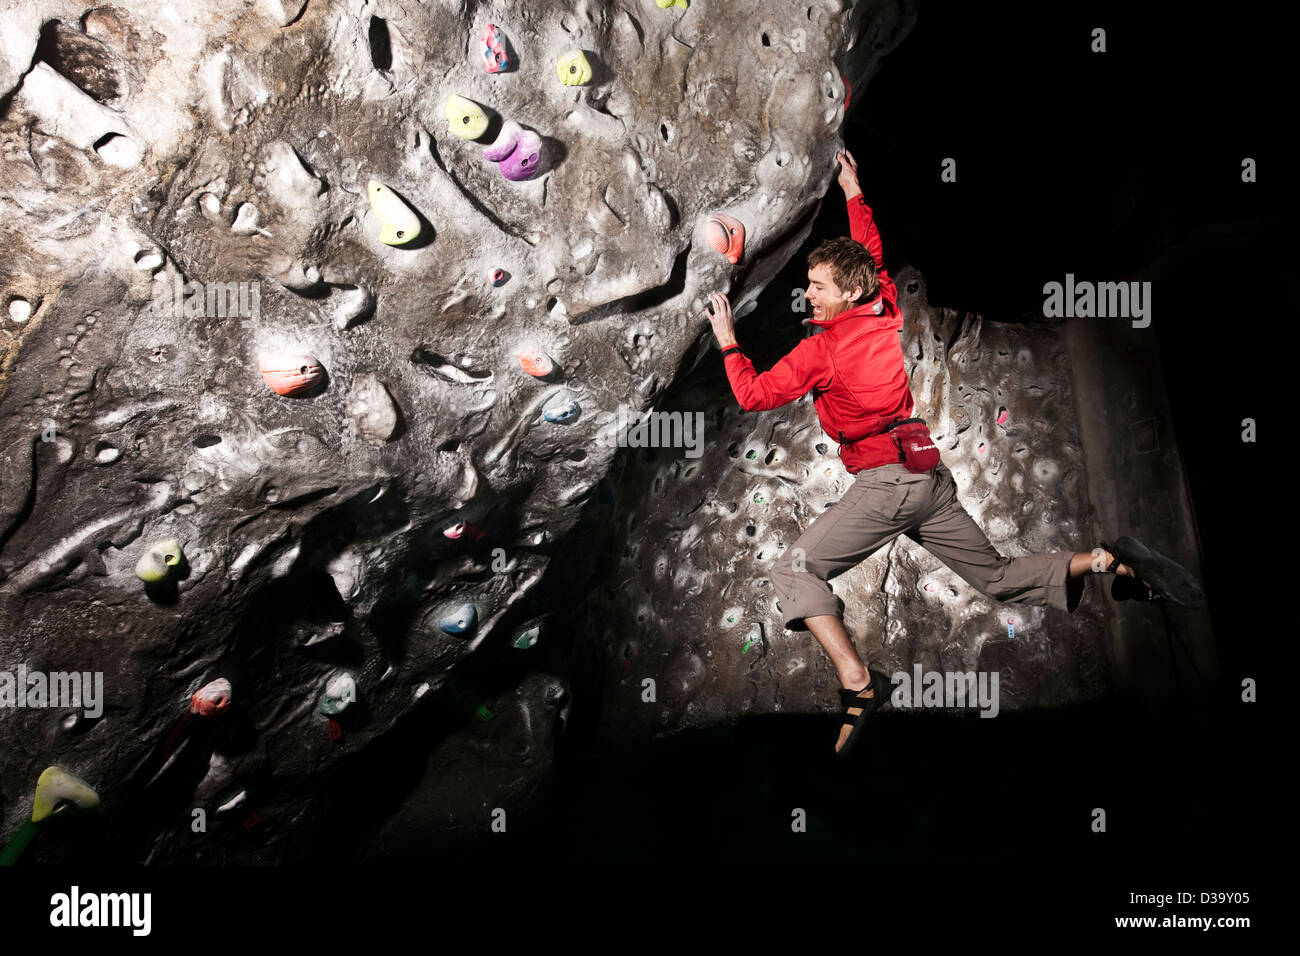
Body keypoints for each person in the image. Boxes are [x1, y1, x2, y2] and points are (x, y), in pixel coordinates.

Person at [707, 150, 1202, 756]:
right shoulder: (883, 306)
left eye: (816, 287)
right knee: (994, 578)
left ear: (848, 292)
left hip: (890, 484)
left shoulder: (822, 353)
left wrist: (729, 341)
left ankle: (860, 684)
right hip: (926, 478)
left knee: (794, 569)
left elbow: (754, 393)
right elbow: (872, 251)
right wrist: (852, 188)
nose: (805, 294)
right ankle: (1107, 562)